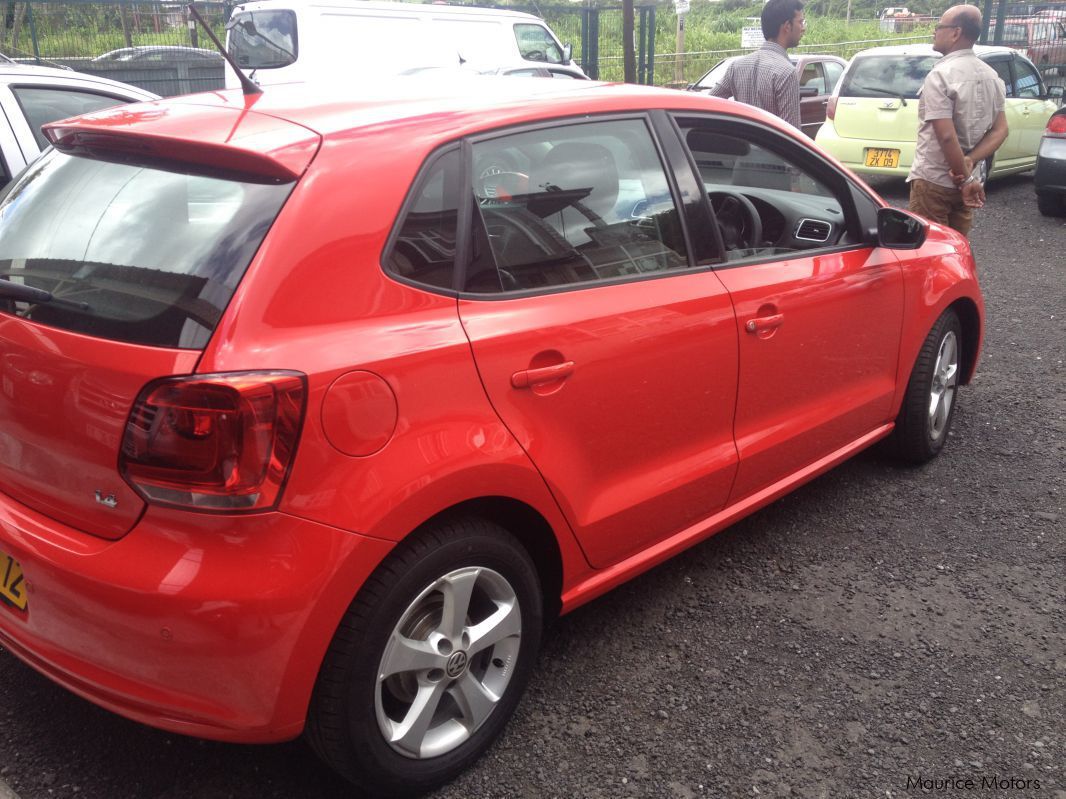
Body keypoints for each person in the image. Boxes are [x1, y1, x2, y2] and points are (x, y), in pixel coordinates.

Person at [907, 4, 1009, 237]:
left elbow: (945, 135)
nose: (934, 31)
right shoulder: (992, 76)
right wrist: (969, 162)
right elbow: (1001, 130)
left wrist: (964, 180)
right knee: (957, 247)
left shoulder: (941, 75)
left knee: (928, 248)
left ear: (956, 33)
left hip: (934, 180)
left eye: (939, 26)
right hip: (969, 179)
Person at [710, 0, 806, 129]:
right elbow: (792, 130)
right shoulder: (787, 73)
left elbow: (709, 102)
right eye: (800, 22)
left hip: (742, 141)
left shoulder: (736, 66)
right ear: (787, 26)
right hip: (771, 143)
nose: (803, 28)